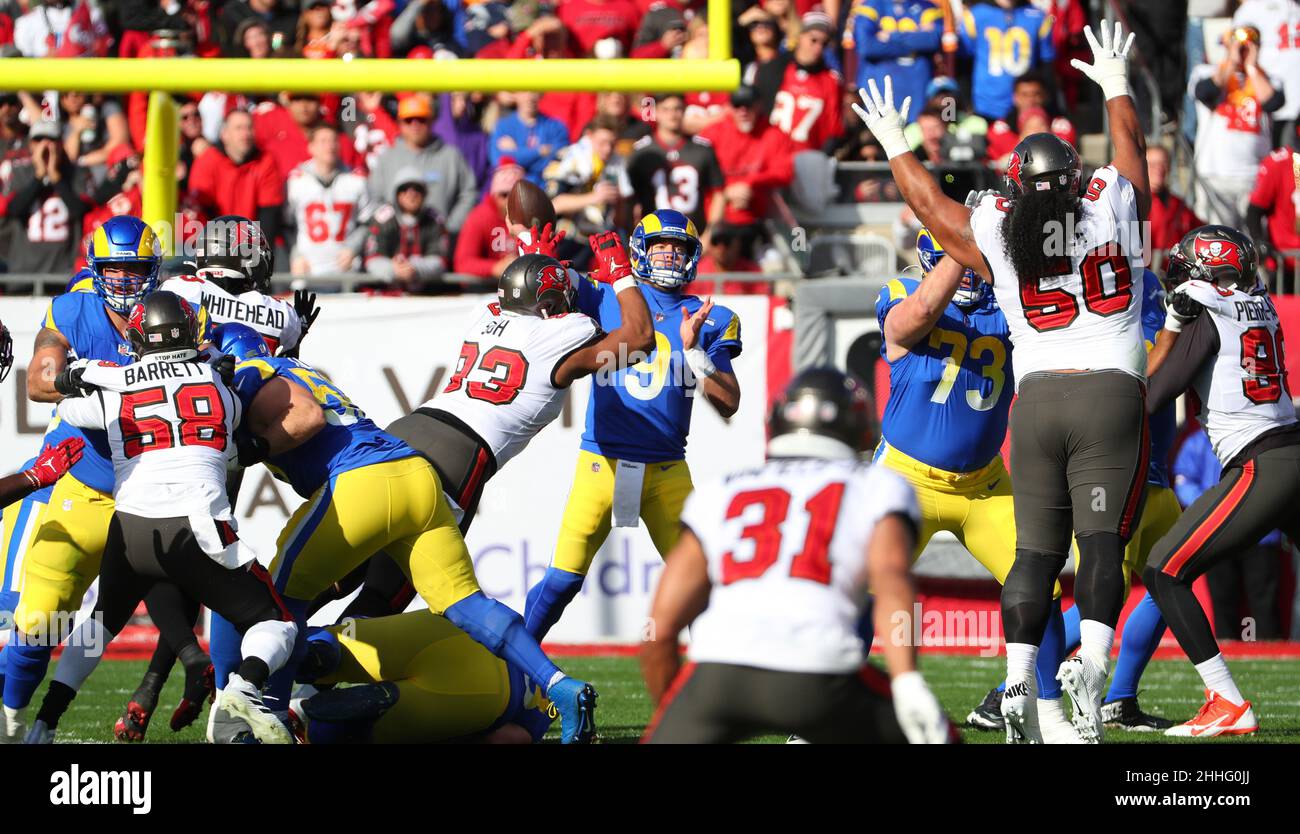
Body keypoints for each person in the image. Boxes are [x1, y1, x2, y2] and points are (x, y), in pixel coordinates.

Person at [851, 21, 1150, 744]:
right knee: (1099, 545)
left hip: (1032, 408)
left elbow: (934, 211)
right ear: (1078, 181)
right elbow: (1135, 164)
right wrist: (1114, 86)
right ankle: (1092, 665)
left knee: (1038, 558)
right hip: (1106, 392)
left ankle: (1025, 686)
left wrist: (898, 147)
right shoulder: (1109, 205)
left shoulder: (993, 232)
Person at [207, 322, 600, 744]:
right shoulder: (285, 369)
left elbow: (308, 416)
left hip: (362, 481)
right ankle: (560, 684)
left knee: (278, 605)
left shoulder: (251, 373)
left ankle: (272, 723)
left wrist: (253, 448)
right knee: (467, 603)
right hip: (415, 475)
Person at [22, 292, 298, 745]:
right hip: (197, 525)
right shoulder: (221, 390)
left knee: (99, 623)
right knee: (276, 623)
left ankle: (44, 723)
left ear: (137, 337)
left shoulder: (116, 384)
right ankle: (243, 689)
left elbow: (65, 405)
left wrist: (80, 375)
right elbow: (228, 446)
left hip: (131, 527)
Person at [640, 367, 951, 744]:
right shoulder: (877, 485)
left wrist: (679, 713)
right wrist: (905, 678)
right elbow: (891, 582)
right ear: (859, 426)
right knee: (939, 736)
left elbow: (660, 626)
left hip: (719, 672)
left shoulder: (721, 490)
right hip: (820, 671)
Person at [522, 209, 742, 641]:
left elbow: (730, 403)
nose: (668, 255)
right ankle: (511, 670)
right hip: (601, 462)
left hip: (666, 471)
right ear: (640, 250)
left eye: (678, 248)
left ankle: (713, 690)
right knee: (562, 580)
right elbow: (540, 292)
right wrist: (534, 255)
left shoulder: (711, 315)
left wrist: (696, 353)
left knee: (700, 588)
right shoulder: (609, 295)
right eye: (660, 245)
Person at [1, 215, 161, 744]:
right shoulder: (75, 309)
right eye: (114, 271)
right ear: (95, 270)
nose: (125, 283)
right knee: (37, 624)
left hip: (154, 487)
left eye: (135, 270)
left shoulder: (177, 310)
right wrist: (84, 377)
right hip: (84, 485)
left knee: (118, 617)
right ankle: (16, 716)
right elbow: (40, 379)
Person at [1142, 224, 1300, 737]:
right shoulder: (1262, 304)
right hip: (1289, 450)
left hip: (1262, 463)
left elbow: (1151, 396)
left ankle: (1225, 701)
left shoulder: (1206, 310)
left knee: (1165, 569)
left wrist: (1170, 322)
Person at [294, 610, 556, 743]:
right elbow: (508, 738)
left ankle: (262, 660)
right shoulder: (553, 695)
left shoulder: (530, 647)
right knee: (332, 731)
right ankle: (338, 721)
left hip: (451, 627)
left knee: (329, 643)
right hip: (486, 689)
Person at [1173, 427, 1282, 641]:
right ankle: (1227, 649)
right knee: (1223, 599)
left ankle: (1269, 647)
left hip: (1260, 533)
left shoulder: (1265, 439)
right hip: (1217, 534)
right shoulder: (1199, 442)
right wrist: (1216, 506)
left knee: (1263, 599)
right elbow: (1184, 482)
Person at [1190, 26, 1285, 228]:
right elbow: (1205, 92)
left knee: (1251, 243)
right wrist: (1232, 61)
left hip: (1253, 175)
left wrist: (1251, 66)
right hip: (1214, 174)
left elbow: (1273, 102)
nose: (1242, 50)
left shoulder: (1268, 78)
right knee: (1215, 238)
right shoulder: (1206, 71)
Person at [367, 94, 478, 234]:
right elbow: (374, 198)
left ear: (432, 121)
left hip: (439, 241)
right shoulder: (386, 157)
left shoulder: (451, 155)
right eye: (409, 120)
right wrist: (389, 228)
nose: (415, 124)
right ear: (399, 123)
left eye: (421, 119)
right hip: (394, 243)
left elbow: (469, 193)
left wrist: (450, 228)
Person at [620, 94, 725, 235]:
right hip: (653, 237)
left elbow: (718, 193)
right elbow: (628, 199)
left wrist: (709, 234)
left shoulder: (702, 149)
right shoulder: (641, 151)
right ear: (656, 112)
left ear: (685, 110)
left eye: (677, 109)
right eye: (666, 109)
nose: (672, 115)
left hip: (693, 235)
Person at [4, 119, 93, 275]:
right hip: (23, 272)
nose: (45, 145)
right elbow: (14, 209)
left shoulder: (76, 174)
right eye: (38, 140)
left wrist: (55, 177)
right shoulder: (19, 172)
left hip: (63, 271)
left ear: (60, 144)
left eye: (51, 140)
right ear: (30, 144)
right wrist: (39, 177)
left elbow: (80, 210)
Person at [187, 109, 286, 246]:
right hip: (213, 242)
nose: (245, 134)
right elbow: (200, 210)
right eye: (238, 128)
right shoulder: (208, 160)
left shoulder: (265, 161)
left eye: (249, 128)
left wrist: (254, 251)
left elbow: (269, 214)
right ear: (224, 134)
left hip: (252, 243)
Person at [286, 124, 373, 278]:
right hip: (307, 270)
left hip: (346, 270)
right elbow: (286, 226)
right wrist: (295, 255)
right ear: (311, 147)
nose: (330, 146)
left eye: (334, 141)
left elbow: (368, 222)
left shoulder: (355, 179)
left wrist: (354, 247)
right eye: (323, 141)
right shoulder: (296, 181)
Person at [753, 11, 845, 155]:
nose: (818, 48)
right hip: (769, 154)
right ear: (800, 37)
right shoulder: (774, 68)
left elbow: (833, 128)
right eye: (813, 40)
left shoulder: (831, 81)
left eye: (824, 43)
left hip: (807, 158)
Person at [958, 0, 1056, 121]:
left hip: (1026, 107)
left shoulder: (1038, 16)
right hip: (985, 106)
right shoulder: (975, 15)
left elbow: (1047, 66)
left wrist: (1050, 106)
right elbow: (963, 64)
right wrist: (967, 102)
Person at [849, 0, 943, 125]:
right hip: (876, 100)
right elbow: (866, 47)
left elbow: (932, 40)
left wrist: (890, 36)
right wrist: (914, 44)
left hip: (916, 96)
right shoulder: (869, 6)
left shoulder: (928, 8)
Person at [362, 167, 450, 290]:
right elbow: (372, 259)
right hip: (385, 293)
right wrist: (393, 270)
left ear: (424, 194)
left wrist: (414, 268)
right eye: (404, 189)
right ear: (396, 193)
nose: (411, 194)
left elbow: (440, 260)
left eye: (417, 189)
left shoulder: (435, 220)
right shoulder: (382, 219)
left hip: (425, 295)